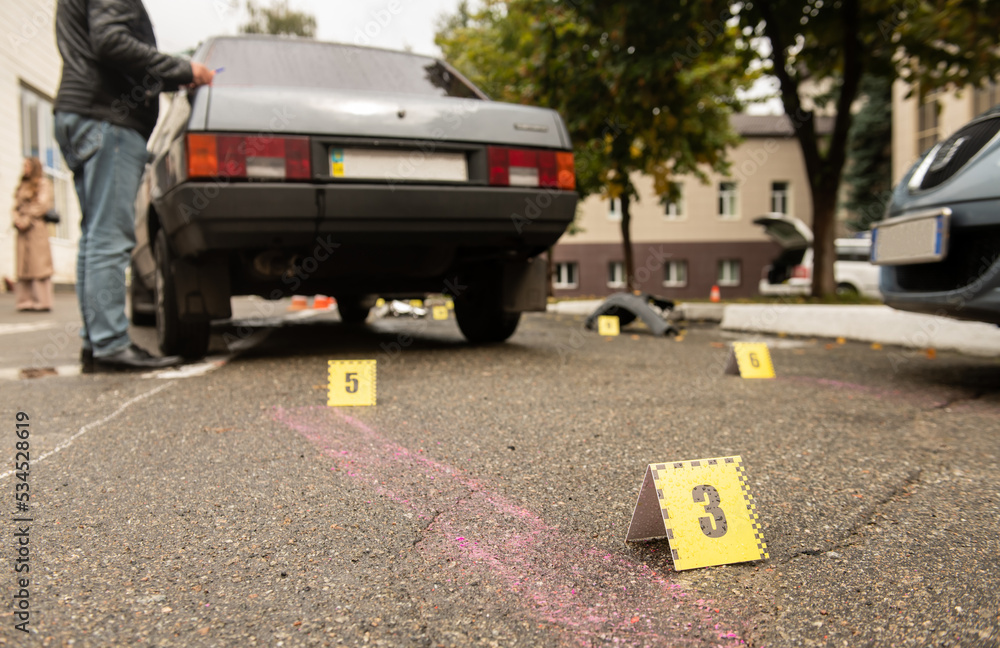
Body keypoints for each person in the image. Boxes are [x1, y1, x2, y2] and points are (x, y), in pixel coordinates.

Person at [53, 0, 214, 371]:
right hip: (109, 117)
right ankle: (109, 345)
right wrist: (183, 68)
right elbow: (111, 41)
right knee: (109, 236)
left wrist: (173, 76)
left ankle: (96, 343)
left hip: (81, 112)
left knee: (95, 237)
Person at [12, 157, 56, 312]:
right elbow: (15, 207)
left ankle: (41, 301)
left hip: (36, 227)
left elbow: (42, 205)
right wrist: (17, 219)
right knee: (24, 265)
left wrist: (26, 219)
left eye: (27, 166)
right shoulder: (22, 185)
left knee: (39, 264)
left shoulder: (43, 183)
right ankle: (25, 301)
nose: (25, 168)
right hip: (22, 231)